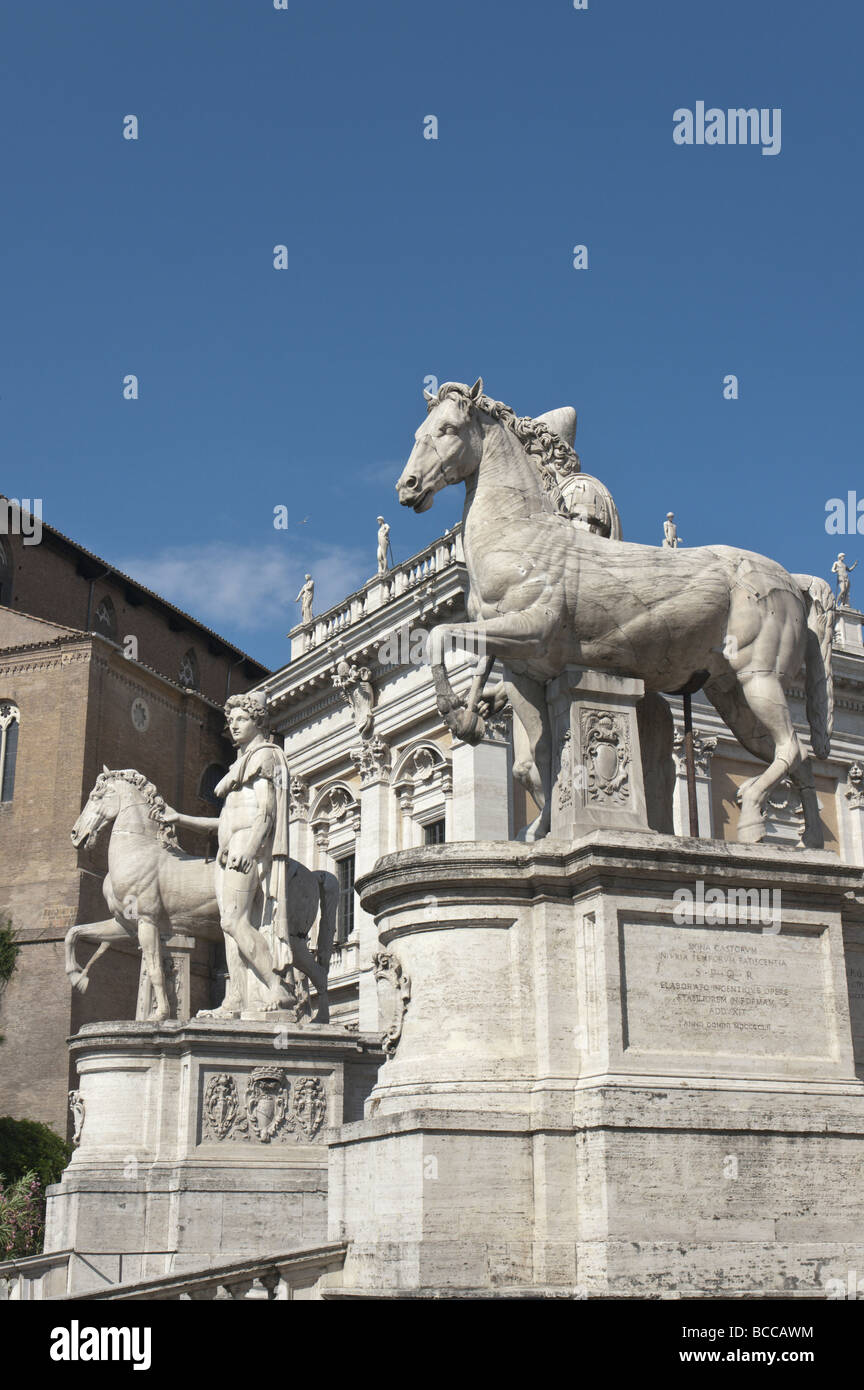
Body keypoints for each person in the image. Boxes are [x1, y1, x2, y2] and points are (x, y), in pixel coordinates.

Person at [163, 692, 298, 1015]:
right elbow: (223, 820)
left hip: (245, 848)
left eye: (241, 719)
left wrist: (251, 849)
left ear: (258, 721)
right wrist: (181, 819)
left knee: (235, 921)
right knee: (228, 925)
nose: (233, 726)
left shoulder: (265, 757)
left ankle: (277, 987)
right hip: (229, 849)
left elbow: (267, 812)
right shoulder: (240, 765)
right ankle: (235, 998)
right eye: (231, 720)